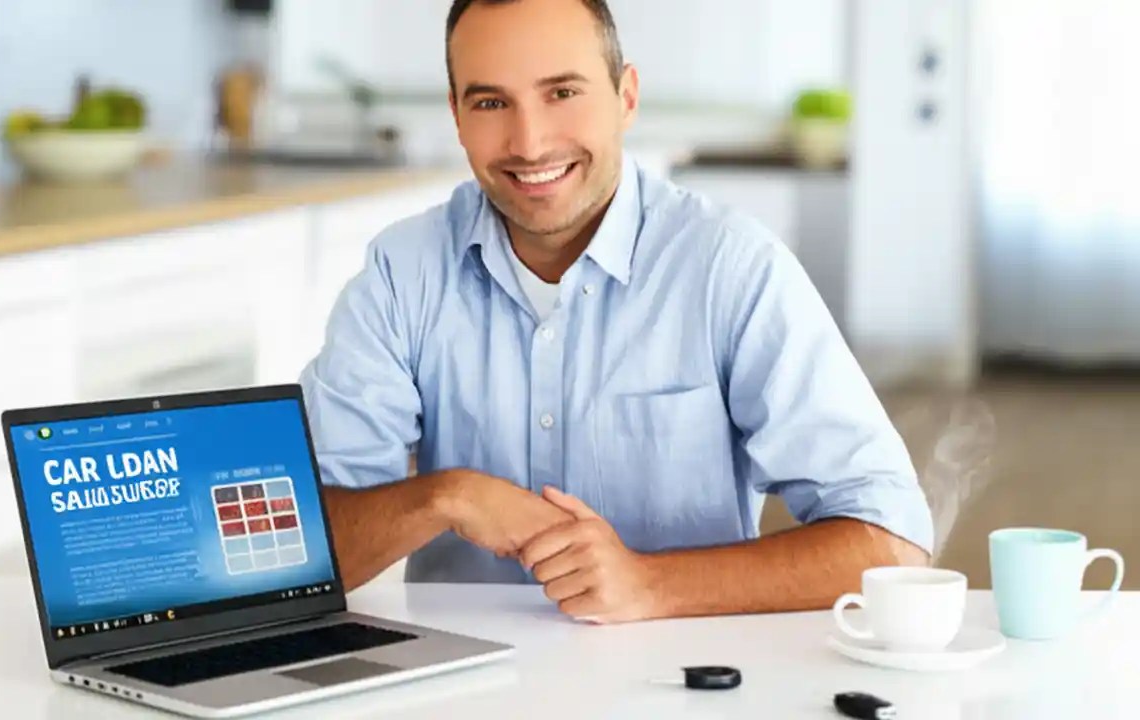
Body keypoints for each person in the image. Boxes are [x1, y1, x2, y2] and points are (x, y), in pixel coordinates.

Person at [300, 0, 932, 624]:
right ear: (457, 116)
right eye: (491, 102)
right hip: (458, 686)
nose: (530, 142)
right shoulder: (401, 273)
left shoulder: (731, 269)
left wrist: (651, 584)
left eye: (562, 93)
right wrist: (445, 496)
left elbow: (891, 544)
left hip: (681, 681)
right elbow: (293, 551)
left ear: (625, 97)